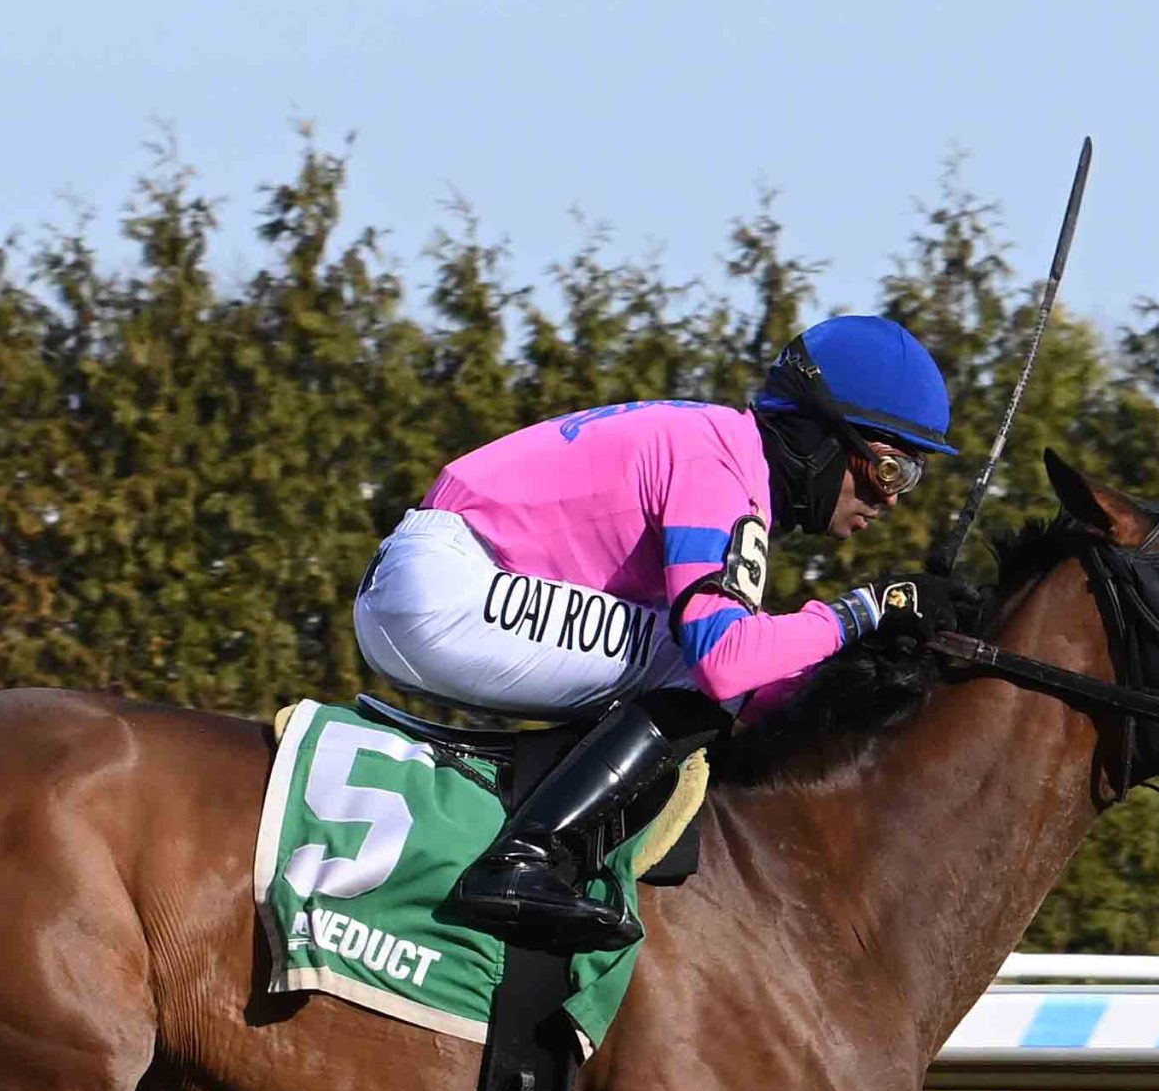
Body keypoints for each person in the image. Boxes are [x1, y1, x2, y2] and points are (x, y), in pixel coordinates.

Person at [352, 314, 979, 952]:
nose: (892, 499)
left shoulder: (725, 449)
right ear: (823, 436)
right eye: (889, 470)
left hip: (434, 580)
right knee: (697, 664)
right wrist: (863, 612)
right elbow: (724, 664)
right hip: (438, 589)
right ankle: (523, 858)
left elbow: (757, 687)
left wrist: (870, 665)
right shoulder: (722, 470)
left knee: (702, 661)